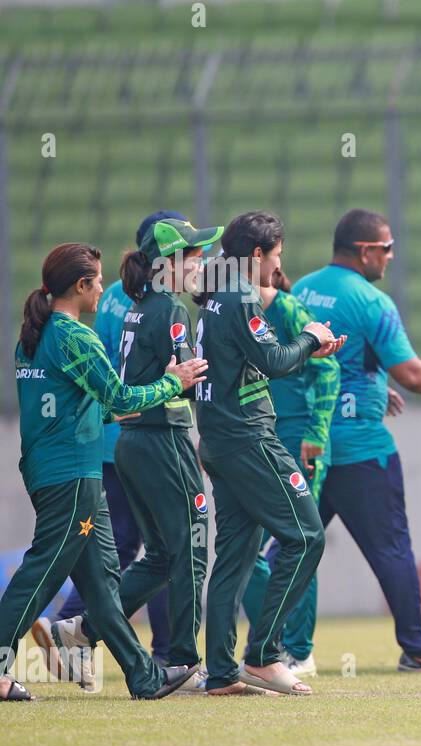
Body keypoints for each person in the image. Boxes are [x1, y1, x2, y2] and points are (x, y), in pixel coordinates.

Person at [0, 242, 205, 702]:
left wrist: (116, 412)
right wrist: (176, 381)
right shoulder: (75, 336)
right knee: (44, 569)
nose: (102, 292)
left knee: (102, 579)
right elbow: (118, 398)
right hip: (72, 473)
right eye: (95, 282)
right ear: (81, 285)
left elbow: (73, 404)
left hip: (54, 468)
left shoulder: (33, 336)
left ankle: (144, 678)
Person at [295, 208, 421, 672]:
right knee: (391, 549)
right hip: (361, 451)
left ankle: (280, 651)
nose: (391, 256)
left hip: (307, 446)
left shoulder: (300, 291)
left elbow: (313, 364)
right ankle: (418, 648)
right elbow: (414, 375)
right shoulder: (370, 301)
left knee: (293, 549)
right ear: (365, 251)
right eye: (386, 248)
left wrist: (378, 391)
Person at [195, 211, 345, 695]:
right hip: (248, 438)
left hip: (219, 440)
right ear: (257, 254)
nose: (280, 264)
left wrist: (307, 349)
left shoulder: (217, 295)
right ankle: (264, 656)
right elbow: (272, 360)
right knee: (307, 536)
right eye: (277, 254)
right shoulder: (240, 293)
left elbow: (251, 358)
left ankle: (220, 673)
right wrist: (311, 338)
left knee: (235, 557)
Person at [29, 210, 183, 678]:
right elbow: (120, 384)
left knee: (113, 550)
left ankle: (82, 639)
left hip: (100, 443)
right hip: (132, 436)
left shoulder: (110, 298)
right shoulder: (146, 302)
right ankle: (165, 653)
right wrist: (175, 388)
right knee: (161, 547)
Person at [240, 265, 340, 678]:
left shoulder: (290, 310)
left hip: (298, 439)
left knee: (294, 543)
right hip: (255, 439)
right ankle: (269, 642)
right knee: (245, 549)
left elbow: (328, 370)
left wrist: (317, 431)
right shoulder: (233, 312)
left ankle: (298, 649)